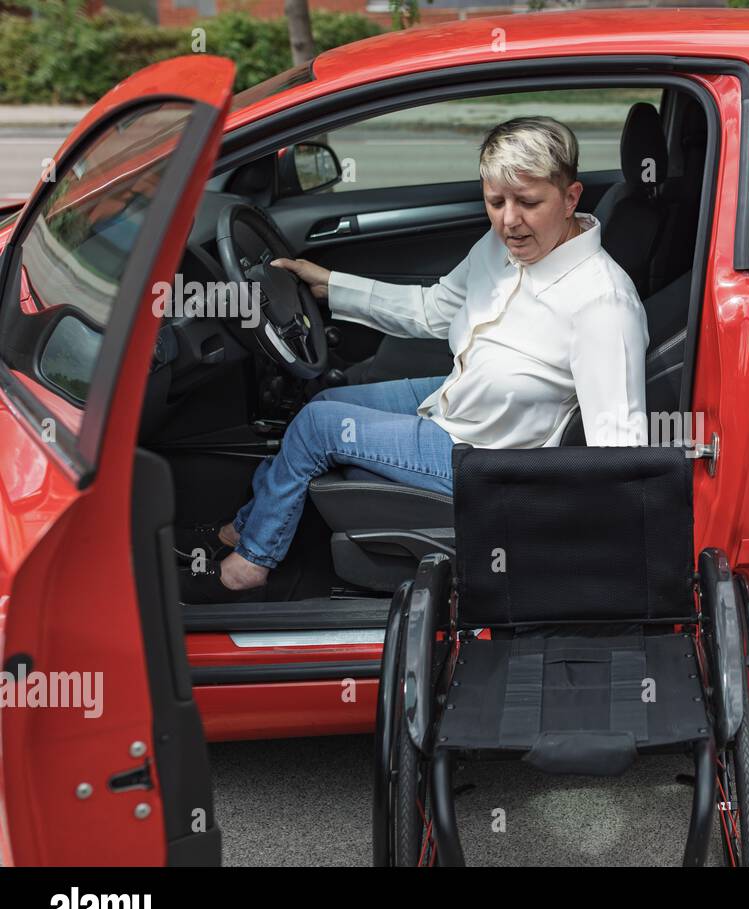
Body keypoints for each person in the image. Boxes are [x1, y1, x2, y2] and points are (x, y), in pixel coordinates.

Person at [180, 116, 649, 603]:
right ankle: (247, 525)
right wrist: (332, 285)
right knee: (324, 400)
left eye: (529, 202)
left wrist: (596, 573)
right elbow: (434, 310)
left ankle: (251, 561)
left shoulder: (603, 303)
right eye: (495, 201)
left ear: (571, 197)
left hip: (487, 455)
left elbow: (619, 448)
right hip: (457, 398)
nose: (509, 220)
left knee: (318, 425)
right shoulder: (501, 247)